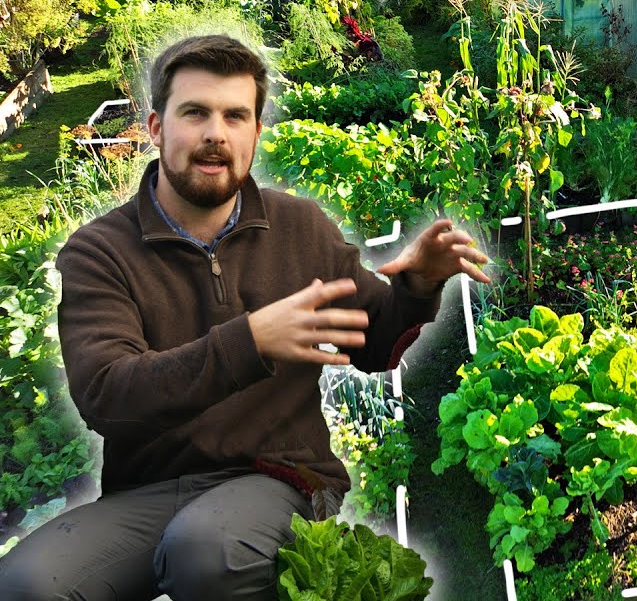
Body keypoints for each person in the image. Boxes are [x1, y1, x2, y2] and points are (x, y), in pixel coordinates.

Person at [0, 34, 490, 601]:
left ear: (255, 133)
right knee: (24, 584)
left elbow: (374, 343)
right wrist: (250, 341)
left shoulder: (298, 228)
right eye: (195, 113)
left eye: (236, 116)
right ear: (157, 128)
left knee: (206, 552)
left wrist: (419, 285)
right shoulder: (101, 251)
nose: (216, 133)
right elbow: (108, 393)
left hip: (278, 477)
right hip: (150, 492)